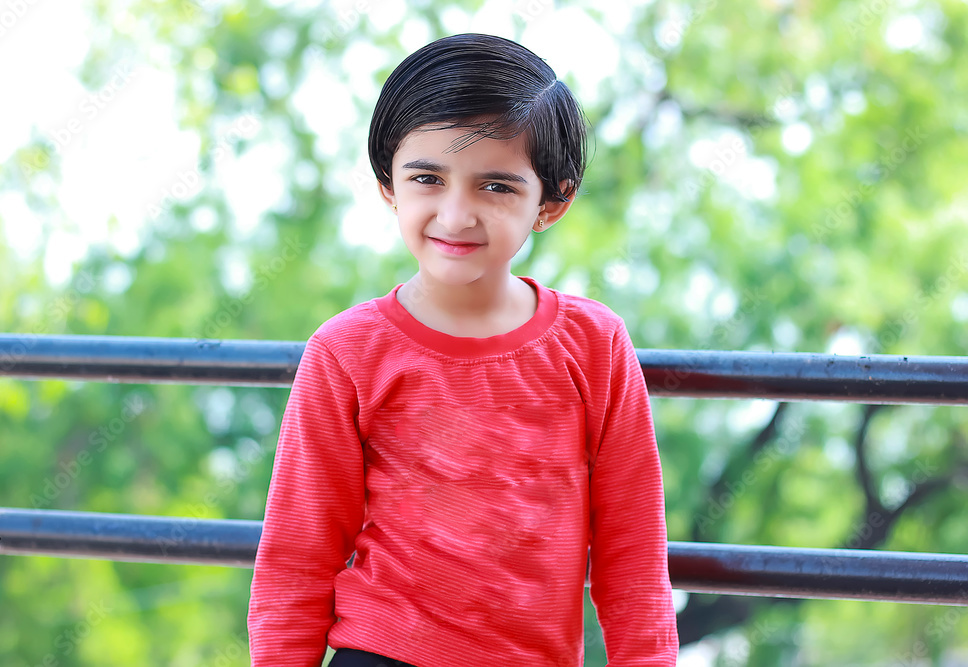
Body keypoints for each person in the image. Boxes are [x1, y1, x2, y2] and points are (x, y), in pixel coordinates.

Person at [247, 32, 678, 667]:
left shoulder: (595, 346)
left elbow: (631, 552)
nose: (455, 215)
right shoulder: (345, 352)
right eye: (427, 178)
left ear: (551, 202)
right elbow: (298, 555)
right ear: (388, 185)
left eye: (496, 187)